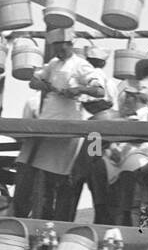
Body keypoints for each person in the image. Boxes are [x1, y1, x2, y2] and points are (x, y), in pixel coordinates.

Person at [11, 30, 103, 219]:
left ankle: (56, 221)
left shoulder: (81, 65)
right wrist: (44, 85)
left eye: (62, 48)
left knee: (61, 180)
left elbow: (99, 91)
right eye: (56, 49)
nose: (59, 52)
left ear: (70, 45)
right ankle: (36, 218)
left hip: (68, 127)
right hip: (47, 124)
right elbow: (33, 82)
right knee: (37, 178)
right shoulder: (53, 64)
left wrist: (78, 89)